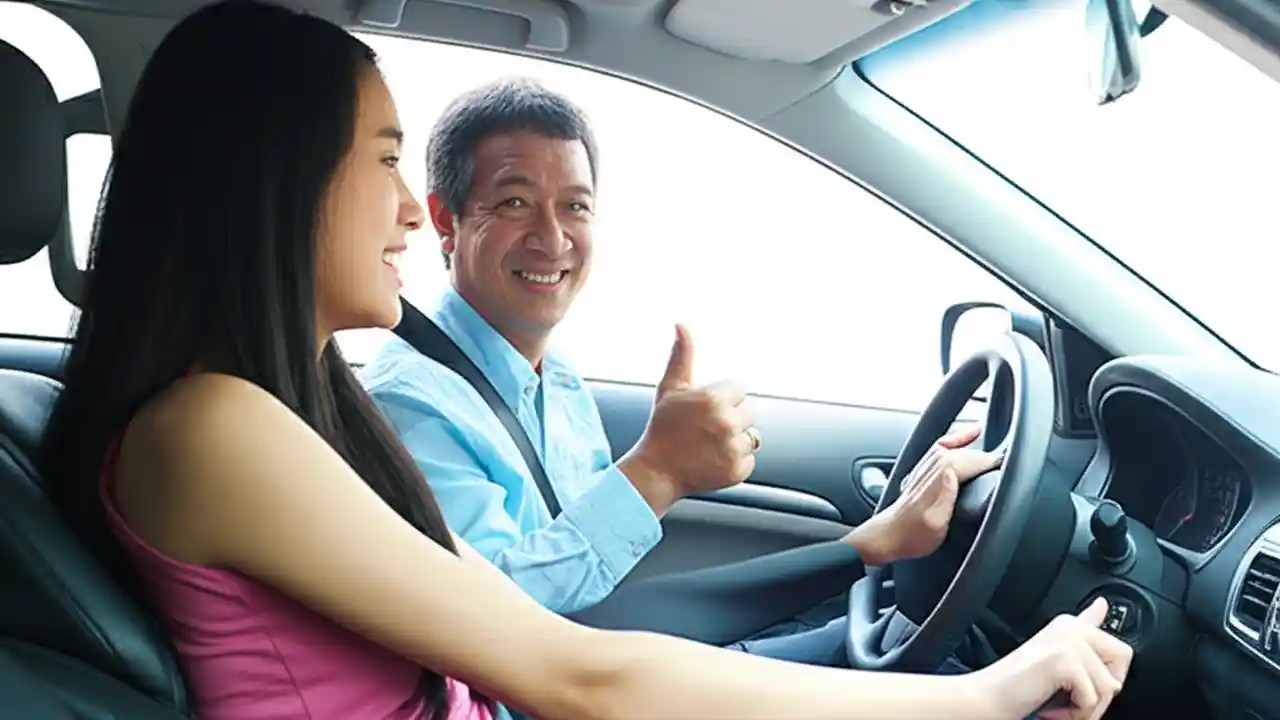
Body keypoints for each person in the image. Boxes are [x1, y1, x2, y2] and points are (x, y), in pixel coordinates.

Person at [39, 1, 1131, 718]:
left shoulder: (293, 411)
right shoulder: (211, 430)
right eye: (381, 162)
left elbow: (545, 641)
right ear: (272, 178)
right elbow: (568, 667)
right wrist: (985, 696)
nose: (404, 222)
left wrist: (864, 550)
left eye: (575, 207)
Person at [359, 78, 1002, 669]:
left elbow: (600, 595)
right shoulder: (410, 405)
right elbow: (500, 624)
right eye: (516, 202)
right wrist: (658, 473)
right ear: (446, 220)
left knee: (925, 649)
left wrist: (862, 547)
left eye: (576, 207)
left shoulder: (556, 381)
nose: (553, 238)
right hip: (556, 691)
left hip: (613, 664)